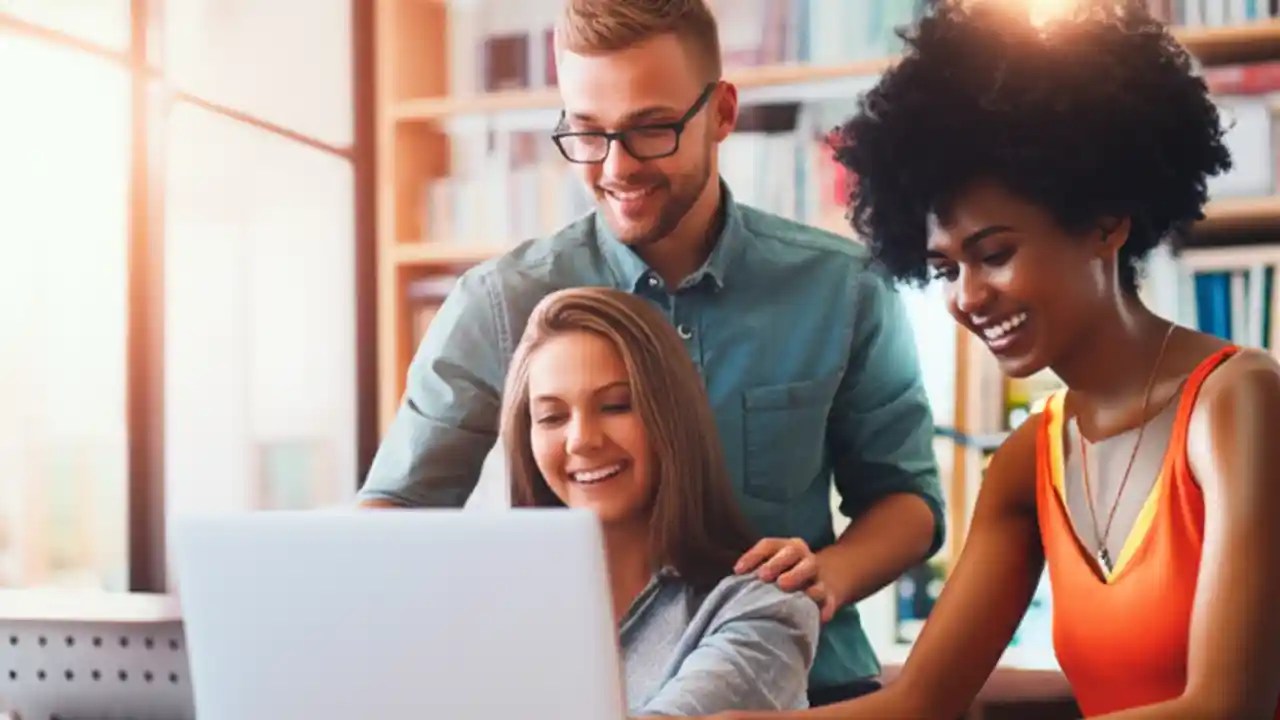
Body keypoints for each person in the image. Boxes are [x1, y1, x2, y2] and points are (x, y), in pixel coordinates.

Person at [696, 2, 1280, 719]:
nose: (968, 297)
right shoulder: (1029, 460)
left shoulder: (1237, 402)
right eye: (944, 268)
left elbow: (1228, 707)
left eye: (995, 254)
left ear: (1105, 223)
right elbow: (921, 702)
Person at [358, 0, 946, 705]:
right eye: (588, 133)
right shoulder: (499, 302)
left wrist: (826, 575)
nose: (617, 166)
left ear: (722, 114)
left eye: (651, 129)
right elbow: (396, 514)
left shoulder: (843, 289)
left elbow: (906, 501)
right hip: (586, 692)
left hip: (806, 687)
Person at [501, 286, 820, 715]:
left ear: (670, 415)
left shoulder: (766, 610)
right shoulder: (501, 610)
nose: (582, 440)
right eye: (553, 417)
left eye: (616, 406)